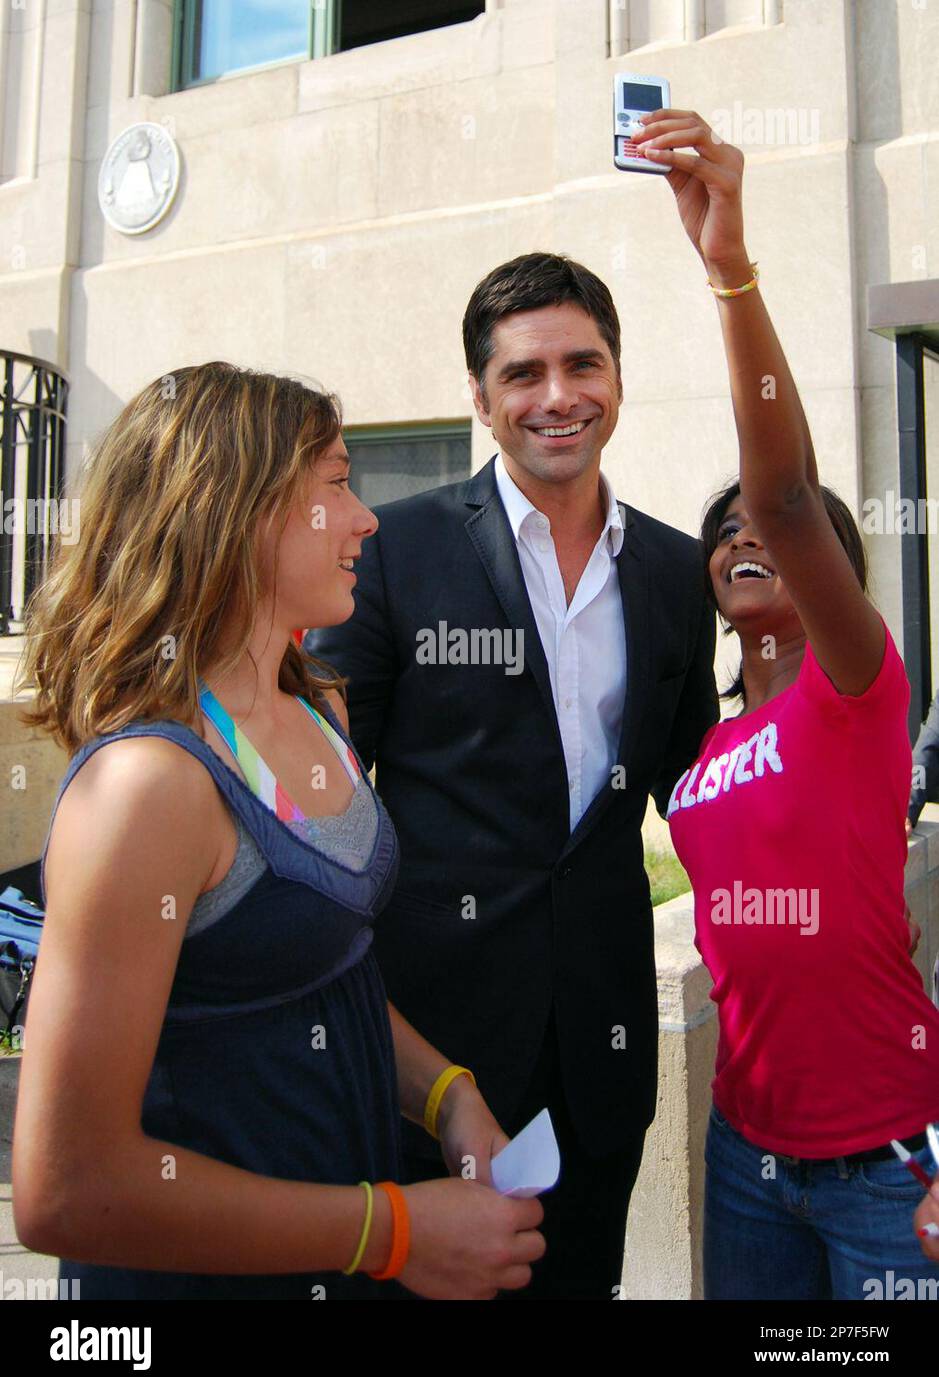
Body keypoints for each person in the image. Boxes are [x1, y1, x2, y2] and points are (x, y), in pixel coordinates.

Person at [11, 362, 545, 1300]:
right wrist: (392, 1233)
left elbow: (321, 970)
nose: (366, 518)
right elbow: (66, 1190)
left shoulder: (321, 706)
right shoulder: (150, 786)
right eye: (336, 484)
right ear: (241, 510)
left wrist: (446, 1096)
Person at [305, 255, 720, 1292]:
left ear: (619, 377)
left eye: (584, 364)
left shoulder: (673, 569)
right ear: (481, 400)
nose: (558, 395)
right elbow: (323, 785)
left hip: (605, 1050)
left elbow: (700, 794)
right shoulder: (394, 549)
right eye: (524, 373)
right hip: (431, 1053)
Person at [646, 107, 939, 1298]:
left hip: (887, 1166)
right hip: (746, 1157)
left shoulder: (856, 687)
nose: (741, 535)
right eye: (720, 534)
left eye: (761, 526)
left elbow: (783, 491)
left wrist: (730, 269)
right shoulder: (707, 744)